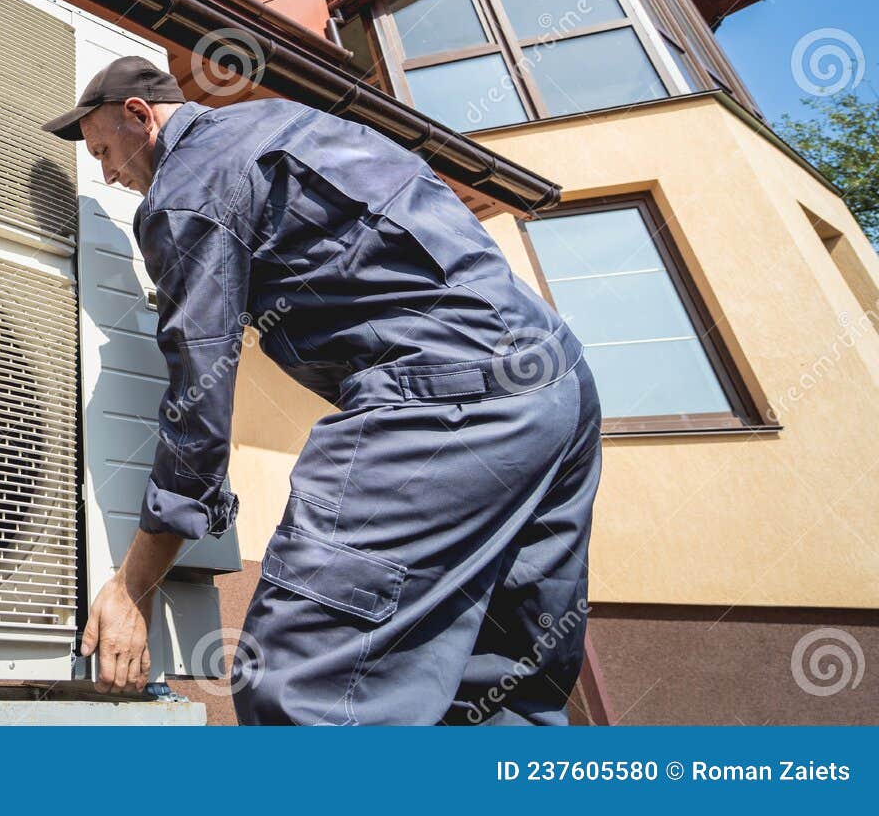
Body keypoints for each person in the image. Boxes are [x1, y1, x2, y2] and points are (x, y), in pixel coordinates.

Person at [41, 56, 602, 725]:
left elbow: (198, 396)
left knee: (307, 681)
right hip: (558, 388)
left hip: (452, 399)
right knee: (499, 695)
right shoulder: (283, 124)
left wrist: (133, 585)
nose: (107, 172)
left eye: (105, 149)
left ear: (142, 116)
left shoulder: (189, 181)